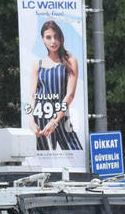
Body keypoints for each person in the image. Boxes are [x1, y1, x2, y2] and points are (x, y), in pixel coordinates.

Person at [25, 20, 83, 152]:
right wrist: (31, 121)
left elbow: (70, 95)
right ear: (43, 39)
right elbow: (32, 96)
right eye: (48, 37)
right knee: (43, 165)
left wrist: (55, 121)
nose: (53, 41)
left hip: (61, 119)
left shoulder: (70, 60)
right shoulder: (37, 65)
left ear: (61, 38)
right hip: (40, 120)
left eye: (56, 37)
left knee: (76, 156)